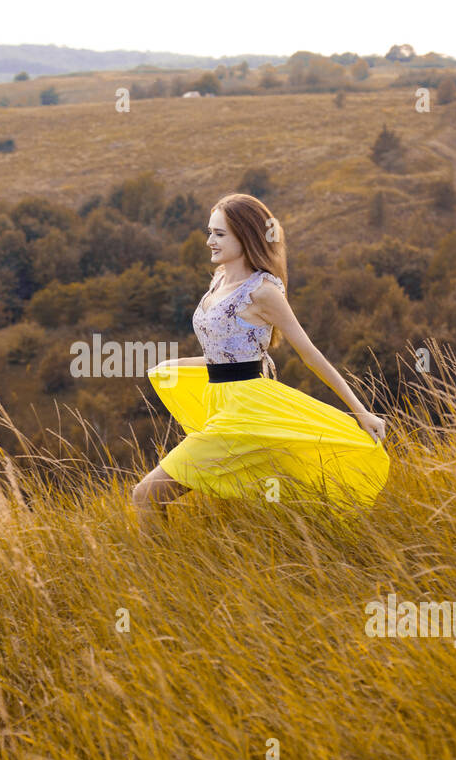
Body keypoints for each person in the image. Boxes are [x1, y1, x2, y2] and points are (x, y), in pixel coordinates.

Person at [132, 193, 390, 536]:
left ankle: (158, 577)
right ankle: (322, 543)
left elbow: (310, 354)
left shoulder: (263, 292)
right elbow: (223, 356)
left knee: (146, 494)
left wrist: (360, 411)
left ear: (247, 235)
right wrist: (175, 363)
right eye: (210, 232)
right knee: (281, 500)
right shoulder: (219, 281)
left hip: (244, 411)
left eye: (220, 234)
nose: (209, 241)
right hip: (220, 405)